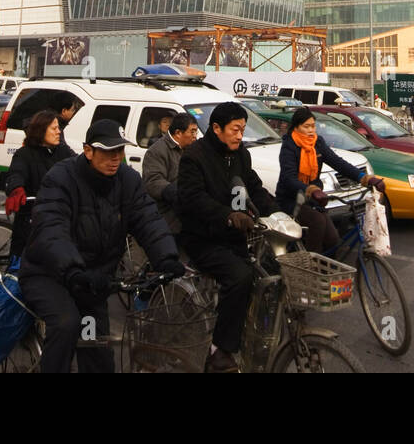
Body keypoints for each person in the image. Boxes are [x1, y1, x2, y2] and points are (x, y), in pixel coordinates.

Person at [18, 119, 182, 373]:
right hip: (49, 275)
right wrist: (73, 269)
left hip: (94, 282)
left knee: (96, 350)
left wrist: (167, 257)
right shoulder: (61, 178)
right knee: (67, 324)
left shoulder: (128, 180)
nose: (115, 158)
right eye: (107, 151)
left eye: (119, 151)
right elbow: (52, 229)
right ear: (88, 151)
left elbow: (147, 218)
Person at [176, 101, 277, 373]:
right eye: (235, 129)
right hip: (203, 238)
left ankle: (250, 331)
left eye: (243, 129)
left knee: (268, 271)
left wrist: (278, 214)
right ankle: (219, 350)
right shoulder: (194, 156)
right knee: (239, 276)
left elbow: (253, 187)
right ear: (217, 128)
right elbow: (192, 199)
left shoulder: (241, 154)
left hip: (235, 236)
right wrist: (228, 215)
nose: (239, 135)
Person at [276, 108, 384, 254]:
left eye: (313, 126)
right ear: (296, 127)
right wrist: (310, 189)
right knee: (317, 222)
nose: (310, 130)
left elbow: (338, 163)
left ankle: (328, 271)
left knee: (333, 240)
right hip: (292, 199)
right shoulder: (289, 146)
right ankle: (311, 264)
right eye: (306, 126)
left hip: (313, 199)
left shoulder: (317, 143)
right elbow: (288, 179)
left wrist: (364, 178)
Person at [3, 110, 75, 258]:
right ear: (41, 130)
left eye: (59, 128)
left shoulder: (62, 151)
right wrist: (16, 189)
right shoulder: (24, 154)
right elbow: (16, 174)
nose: (58, 132)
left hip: (59, 216)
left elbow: (78, 166)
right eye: (54, 128)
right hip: (31, 218)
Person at [142, 112, 198, 235]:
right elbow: (153, 181)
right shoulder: (156, 151)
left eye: (196, 132)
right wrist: (176, 192)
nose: (195, 136)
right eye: (192, 131)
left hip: (191, 211)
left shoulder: (194, 149)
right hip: (167, 215)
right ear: (178, 133)